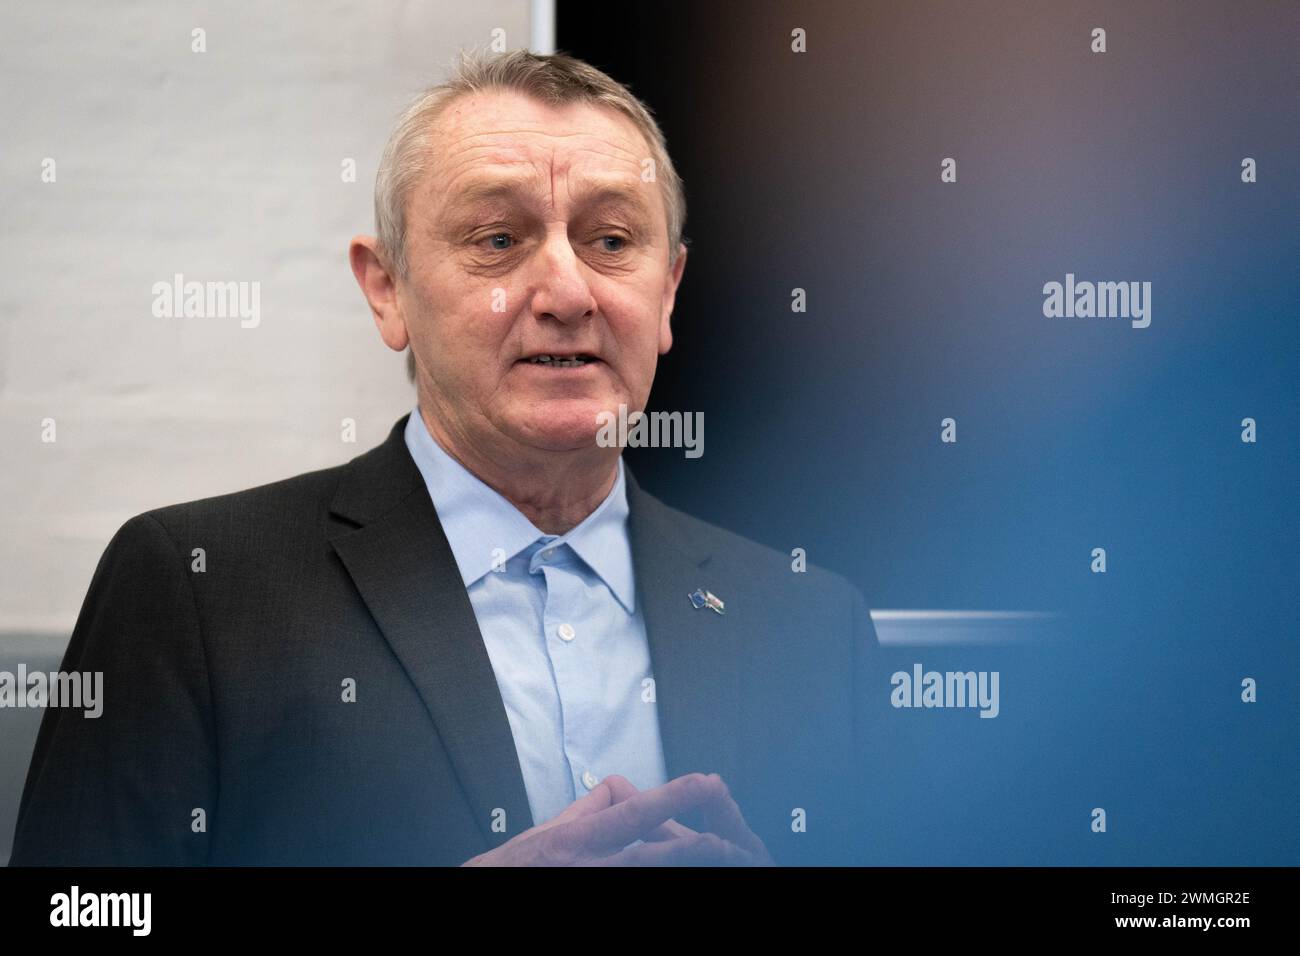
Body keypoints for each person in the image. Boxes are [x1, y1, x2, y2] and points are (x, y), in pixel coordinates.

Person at [9, 49, 885, 867]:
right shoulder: (196, 591)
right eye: (497, 240)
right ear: (386, 290)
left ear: (668, 294)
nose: (569, 292)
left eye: (612, 242)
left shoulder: (814, 627)